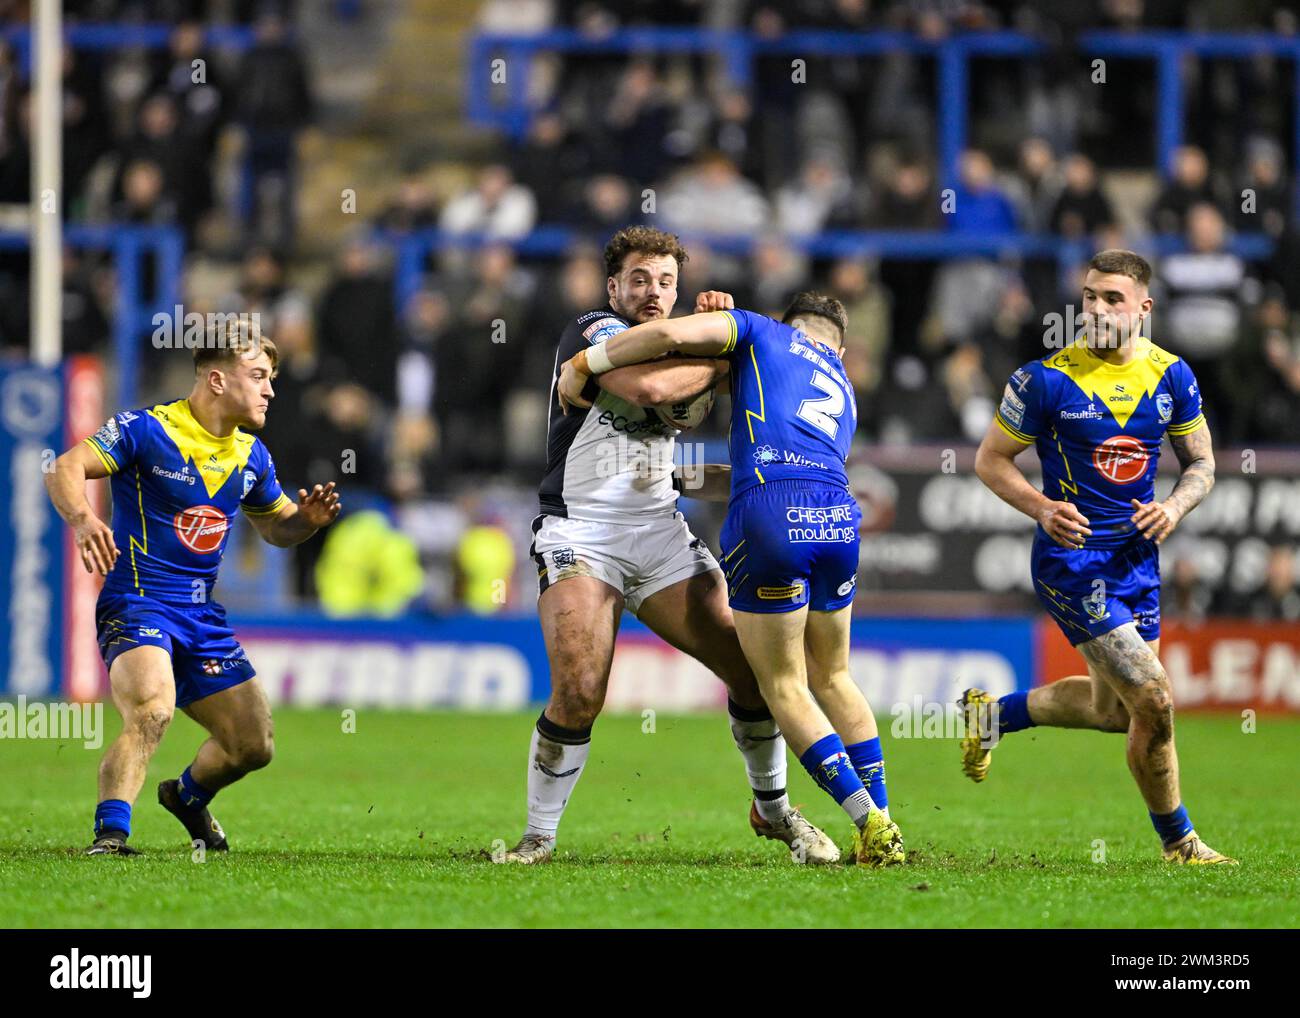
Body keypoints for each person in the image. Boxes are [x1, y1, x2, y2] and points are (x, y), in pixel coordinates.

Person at [502, 226, 837, 865]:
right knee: (579, 690)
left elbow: (683, 415)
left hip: (660, 534)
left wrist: (720, 345)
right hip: (581, 531)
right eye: (639, 279)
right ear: (613, 287)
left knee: (754, 668)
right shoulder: (591, 332)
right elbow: (652, 391)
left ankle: (772, 811)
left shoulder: (676, 346)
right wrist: (738, 349)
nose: (653, 293)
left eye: (666, 283)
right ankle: (538, 836)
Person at [556, 292, 905, 866]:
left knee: (783, 685)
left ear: (788, 325)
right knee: (835, 674)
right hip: (838, 516)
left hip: (769, 518)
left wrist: (585, 364)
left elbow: (666, 340)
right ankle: (885, 816)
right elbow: (753, 467)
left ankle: (866, 821)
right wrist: (677, 479)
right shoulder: (842, 385)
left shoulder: (761, 333)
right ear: (839, 344)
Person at [969, 248, 1235, 865]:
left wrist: (1173, 508)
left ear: (1143, 307)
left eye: (1112, 298)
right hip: (1074, 561)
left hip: (1138, 563)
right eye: (1089, 296)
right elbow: (989, 461)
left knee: (1112, 711)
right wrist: (1040, 507)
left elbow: (1202, 464)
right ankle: (1181, 842)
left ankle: (993, 716)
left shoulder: (1173, 376)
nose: (1096, 309)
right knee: (1155, 699)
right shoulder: (1045, 378)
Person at [44, 319, 341, 855]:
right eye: (259, 376)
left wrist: (309, 521)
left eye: (271, 377)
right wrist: (84, 521)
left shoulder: (252, 456)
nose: (271, 389)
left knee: (254, 745)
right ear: (218, 381)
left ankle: (185, 796)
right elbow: (64, 467)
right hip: (138, 601)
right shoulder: (145, 430)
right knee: (153, 709)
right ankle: (111, 835)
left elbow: (277, 528)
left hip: (201, 616)